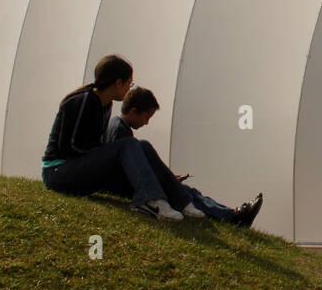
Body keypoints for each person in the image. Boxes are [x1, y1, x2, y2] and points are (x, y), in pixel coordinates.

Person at [40, 55, 187, 221]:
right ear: (118, 83)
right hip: (58, 173)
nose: (128, 88)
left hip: (77, 169)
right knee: (128, 144)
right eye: (128, 83)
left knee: (142, 146)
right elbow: (69, 147)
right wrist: (107, 156)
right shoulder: (82, 101)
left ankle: (179, 199)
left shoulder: (106, 104)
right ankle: (149, 200)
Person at [106, 87, 263, 227]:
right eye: (146, 117)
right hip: (131, 188)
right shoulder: (120, 132)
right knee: (186, 191)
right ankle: (233, 216)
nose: (146, 123)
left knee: (186, 189)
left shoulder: (117, 126)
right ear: (134, 111)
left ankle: (232, 214)